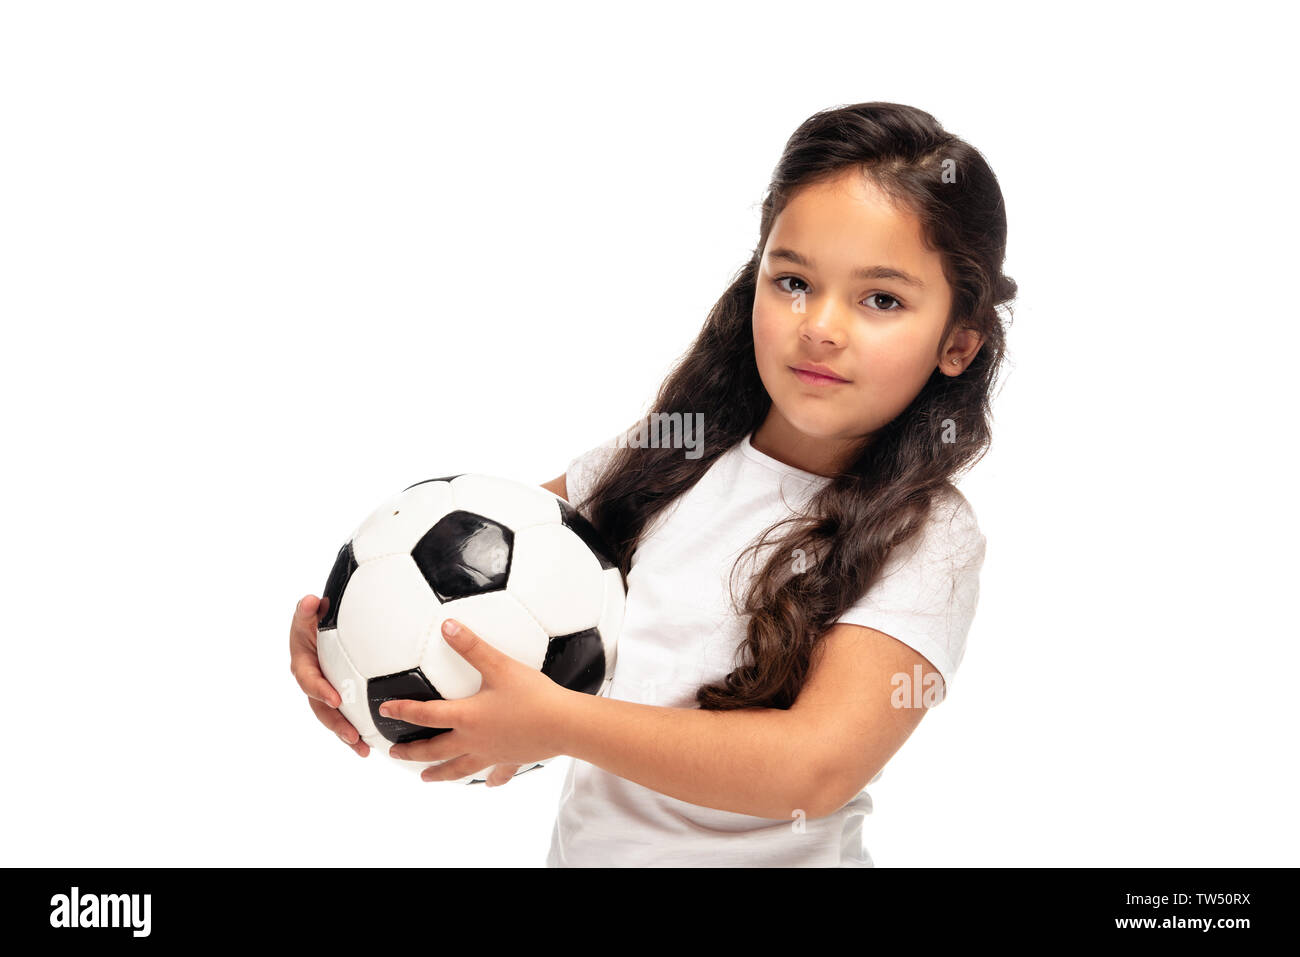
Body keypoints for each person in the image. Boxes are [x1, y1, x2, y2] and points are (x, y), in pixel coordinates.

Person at [289, 101, 1015, 866]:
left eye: (881, 299)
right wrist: (342, 634)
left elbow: (813, 767)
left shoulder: (927, 535)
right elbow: (466, 576)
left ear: (958, 343)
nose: (821, 325)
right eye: (794, 280)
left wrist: (562, 723)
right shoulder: (673, 454)